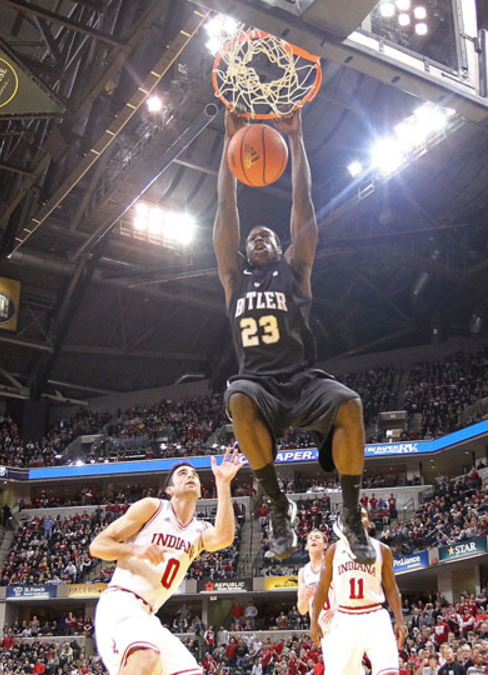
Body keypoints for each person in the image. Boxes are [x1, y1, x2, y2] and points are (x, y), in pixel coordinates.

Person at [214, 109, 373, 563]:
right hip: (258, 386)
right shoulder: (234, 278)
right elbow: (226, 206)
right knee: (236, 397)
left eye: (267, 237)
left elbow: (302, 201)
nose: (258, 240)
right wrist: (228, 147)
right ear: (244, 250)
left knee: (350, 404)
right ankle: (277, 506)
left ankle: (351, 514)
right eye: (253, 238)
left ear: (281, 246)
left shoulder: (296, 269)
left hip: (302, 381)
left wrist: (297, 140)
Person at [88, 449, 245, 675]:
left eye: (194, 475)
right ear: (170, 490)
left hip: (147, 614)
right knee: (145, 657)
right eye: (182, 474)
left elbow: (224, 537)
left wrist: (223, 483)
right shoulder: (153, 508)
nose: (190, 476)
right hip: (121, 601)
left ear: (201, 490)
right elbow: (97, 546)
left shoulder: (198, 530)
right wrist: (135, 549)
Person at [310, 508, 406, 675]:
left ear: (369, 522)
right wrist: (314, 621)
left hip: (375, 616)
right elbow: (323, 587)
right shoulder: (334, 550)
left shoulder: (382, 550)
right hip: (345, 618)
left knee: (389, 672)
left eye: (361, 516)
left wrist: (399, 620)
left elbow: (391, 587)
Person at [297, 530, 334, 639]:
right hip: (321, 628)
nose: (313, 539)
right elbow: (302, 610)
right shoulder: (303, 572)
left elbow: (347, 592)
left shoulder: (332, 564)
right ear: (306, 546)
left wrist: (336, 608)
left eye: (317, 537)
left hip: (338, 621)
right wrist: (305, 597)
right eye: (311, 538)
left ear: (325, 545)